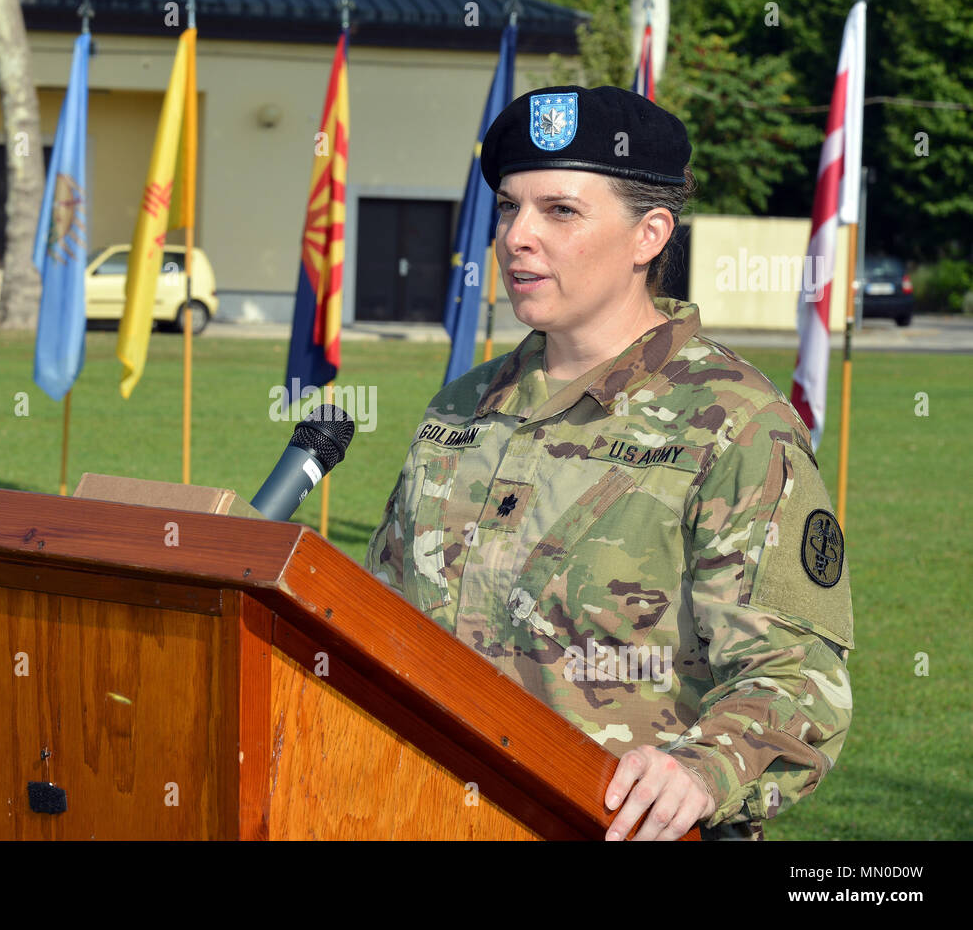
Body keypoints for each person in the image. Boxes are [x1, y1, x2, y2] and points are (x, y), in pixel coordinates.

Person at [365, 85, 853, 841]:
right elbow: (382, 624)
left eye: (559, 211)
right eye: (507, 207)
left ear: (648, 235)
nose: (517, 236)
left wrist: (702, 766)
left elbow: (798, 681)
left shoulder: (734, 426)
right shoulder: (462, 409)